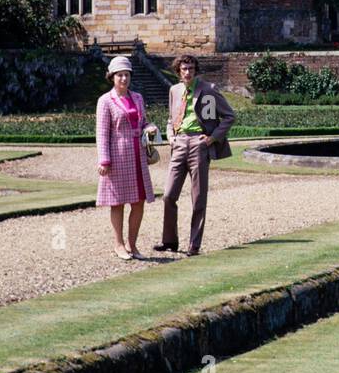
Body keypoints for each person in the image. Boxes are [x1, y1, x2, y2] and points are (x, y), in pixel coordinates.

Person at [154, 54, 235, 257]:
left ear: (195, 70)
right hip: (179, 143)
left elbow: (229, 116)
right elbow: (170, 118)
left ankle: (194, 244)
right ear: (178, 71)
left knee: (198, 197)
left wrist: (212, 138)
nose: (188, 72)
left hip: (199, 144)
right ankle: (170, 241)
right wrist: (170, 136)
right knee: (168, 195)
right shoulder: (174, 90)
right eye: (184, 69)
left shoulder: (208, 90)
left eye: (191, 68)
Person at [95, 56, 159, 260]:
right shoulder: (105, 101)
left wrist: (150, 128)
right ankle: (118, 244)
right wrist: (104, 160)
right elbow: (102, 133)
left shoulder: (138, 98)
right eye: (119, 75)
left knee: (138, 202)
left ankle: (133, 245)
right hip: (118, 155)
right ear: (112, 77)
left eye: (126, 74)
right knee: (118, 202)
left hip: (138, 155)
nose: (123, 78)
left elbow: (143, 123)